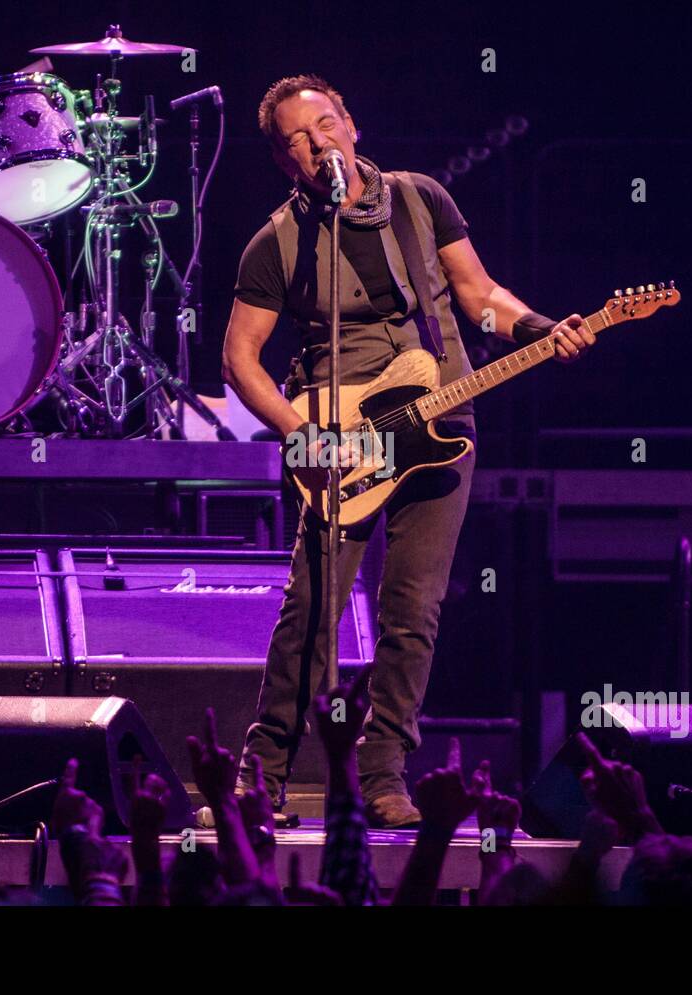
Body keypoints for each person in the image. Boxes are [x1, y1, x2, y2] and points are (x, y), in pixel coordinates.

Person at [222, 74, 594, 827]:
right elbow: (239, 358)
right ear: (284, 160)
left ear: (351, 124)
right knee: (313, 609)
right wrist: (301, 433)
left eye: (325, 124)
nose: (318, 143)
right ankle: (261, 778)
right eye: (298, 139)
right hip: (343, 441)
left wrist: (539, 327)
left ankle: (384, 774)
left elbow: (478, 295)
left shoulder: (423, 199)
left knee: (414, 610)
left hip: (441, 424)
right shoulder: (278, 242)